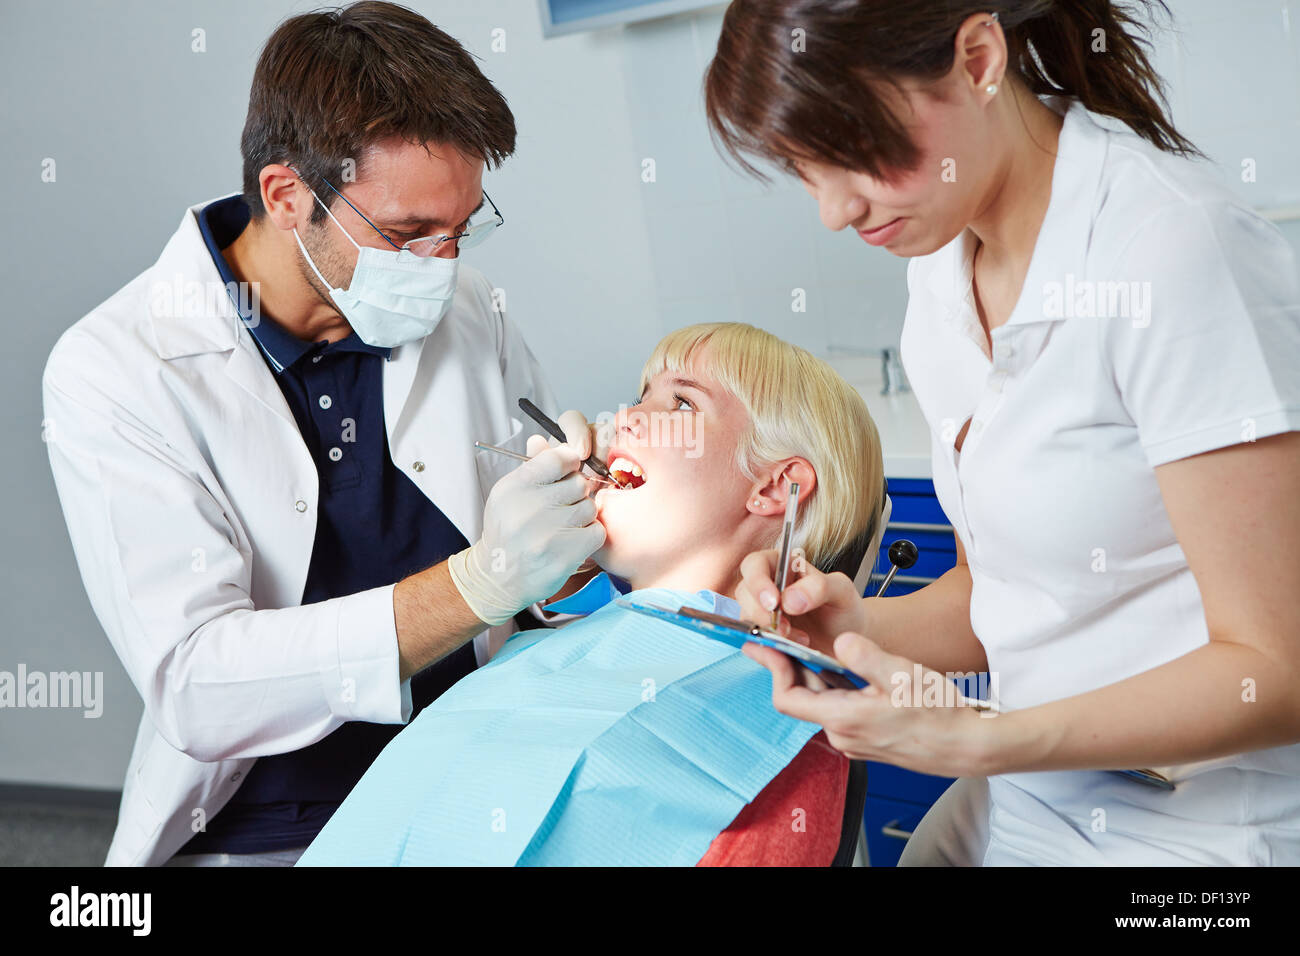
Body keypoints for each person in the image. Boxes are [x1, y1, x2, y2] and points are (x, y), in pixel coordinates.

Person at [708, 0, 1300, 864]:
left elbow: (1275, 670)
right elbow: (1006, 597)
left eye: (853, 151)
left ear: (980, 59)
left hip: (1200, 830)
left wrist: (985, 738)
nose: (834, 210)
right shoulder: (941, 271)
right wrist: (854, 628)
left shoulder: (1170, 249)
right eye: (804, 169)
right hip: (1030, 797)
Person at [41, 2, 606, 867]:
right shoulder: (119, 368)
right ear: (286, 194)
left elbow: (537, 588)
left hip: (475, 771)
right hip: (273, 821)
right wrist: (478, 583)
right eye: (408, 235)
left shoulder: (468, 308)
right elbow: (197, 683)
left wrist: (572, 547)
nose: (444, 266)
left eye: (461, 229)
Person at [296, 323, 885, 865]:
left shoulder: (786, 722)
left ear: (775, 487)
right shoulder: (560, 640)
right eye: (642, 393)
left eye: (681, 403)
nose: (623, 414)